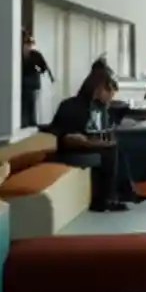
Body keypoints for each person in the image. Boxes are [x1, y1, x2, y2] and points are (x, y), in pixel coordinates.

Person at [47, 67, 125, 212]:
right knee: (110, 151)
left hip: (84, 143)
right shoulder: (72, 107)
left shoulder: (99, 109)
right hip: (68, 146)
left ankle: (117, 194)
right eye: (109, 93)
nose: (110, 98)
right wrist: (90, 142)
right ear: (99, 89)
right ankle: (103, 199)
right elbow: (67, 137)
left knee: (117, 147)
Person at [21, 33, 54, 128]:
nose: (28, 46)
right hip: (23, 82)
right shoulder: (19, 55)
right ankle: (25, 121)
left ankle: (31, 121)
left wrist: (37, 70)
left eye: (29, 44)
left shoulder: (35, 55)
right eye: (26, 44)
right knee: (24, 102)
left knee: (31, 102)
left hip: (32, 82)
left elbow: (44, 67)